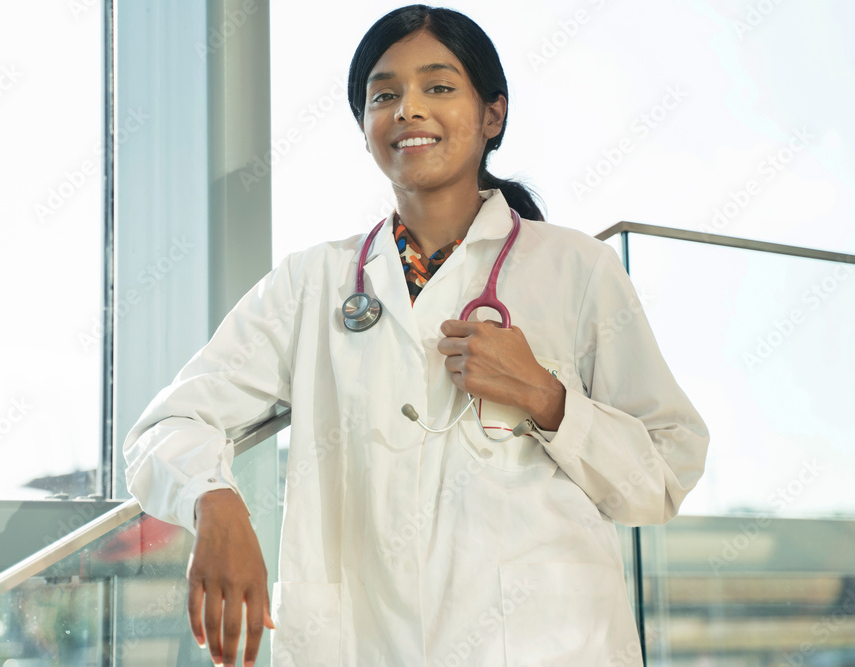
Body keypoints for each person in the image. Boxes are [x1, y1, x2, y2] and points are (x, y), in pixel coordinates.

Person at [123, 5, 710, 666]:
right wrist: (214, 499)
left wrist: (548, 398)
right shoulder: (314, 282)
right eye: (384, 94)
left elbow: (664, 473)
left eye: (438, 86)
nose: (408, 109)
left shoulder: (576, 269)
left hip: (544, 642)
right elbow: (165, 427)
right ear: (364, 126)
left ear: (493, 114)